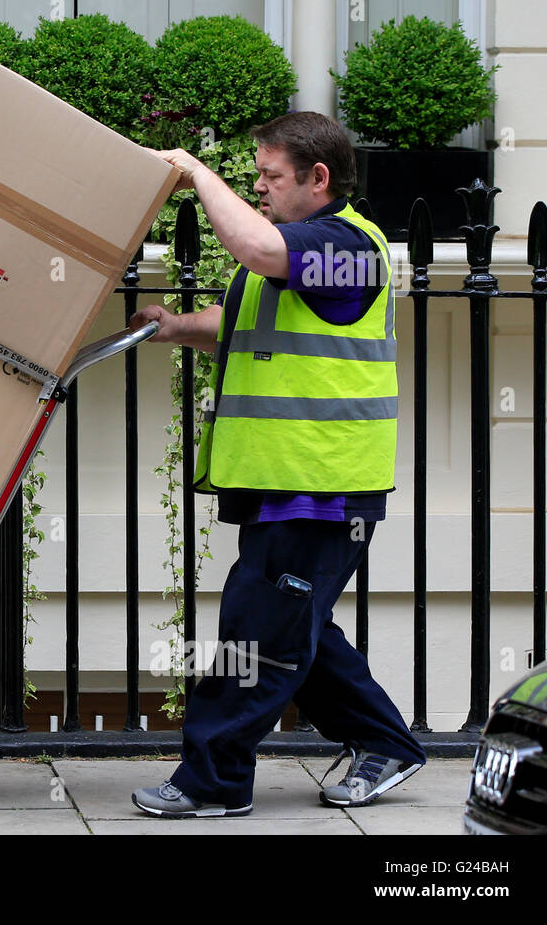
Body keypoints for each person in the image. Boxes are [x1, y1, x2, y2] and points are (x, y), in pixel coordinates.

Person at [128, 111, 427, 817]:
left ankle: (213, 782)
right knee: (295, 629)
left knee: (256, 638)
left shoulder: (347, 249)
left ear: (318, 179)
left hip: (322, 488)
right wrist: (175, 328)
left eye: (269, 176)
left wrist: (197, 174)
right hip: (285, 486)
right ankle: (386, 744)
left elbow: (260, 249)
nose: (258, 187)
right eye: (253, 177)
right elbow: (246, 330)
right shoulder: (303, 250)